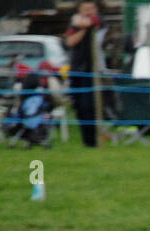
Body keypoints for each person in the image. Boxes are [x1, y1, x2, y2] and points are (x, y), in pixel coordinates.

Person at [64, 0, 102, 147]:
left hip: (91, 71)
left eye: (91, 8)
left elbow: (91, 22)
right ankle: (86, 141)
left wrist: (81, 25)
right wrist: (82, 29)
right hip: (76, 70)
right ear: (80, 10)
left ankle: (93, 141)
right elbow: (70, 42)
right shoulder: (74, 24)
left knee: (89, 106)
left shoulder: (99, 21)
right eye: (85, 9)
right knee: (78, 106)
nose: (89, 11)